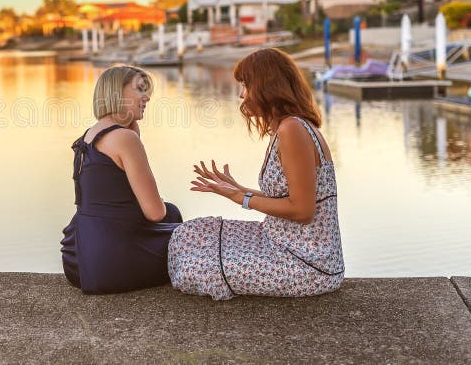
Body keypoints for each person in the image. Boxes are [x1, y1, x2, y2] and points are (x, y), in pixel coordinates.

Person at [168, 48, 344, 300]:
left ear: (267, 86)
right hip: (282, 243)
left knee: (195, 265)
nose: (241, 94)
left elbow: (303, 210)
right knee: (188, 234)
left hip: (306, 263)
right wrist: (238, 189)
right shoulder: (286, 128)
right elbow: (290, 197)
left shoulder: (293, 129)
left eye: (246, 85)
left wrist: (242, 199)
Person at [61, 65, 183, 294]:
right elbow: (155, 213)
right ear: (116, 93)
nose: (147, 97)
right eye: (140, 89)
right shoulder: (124, 139)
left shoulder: (88, 136)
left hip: (78, 263)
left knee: (172, 214)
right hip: (113, 264)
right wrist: (134, 139)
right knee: (183, 225)